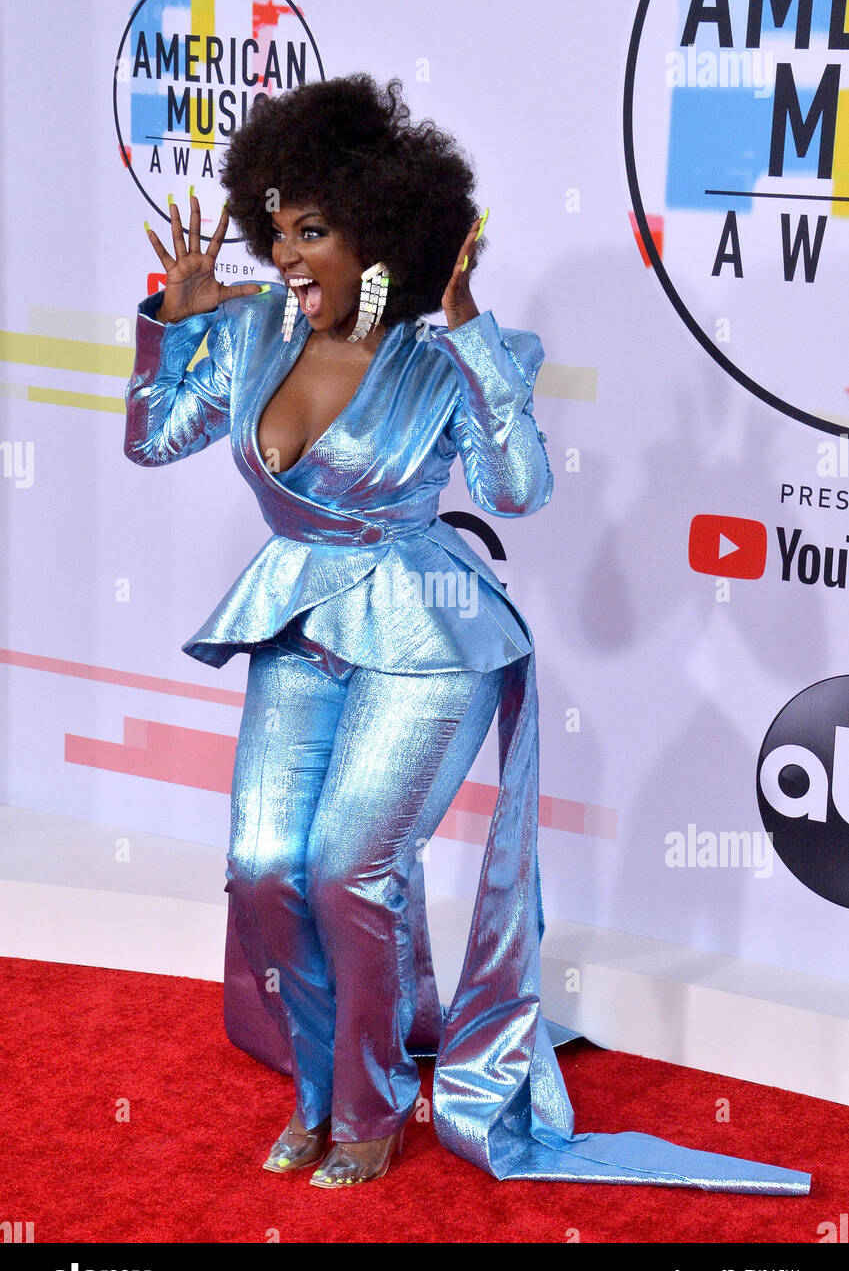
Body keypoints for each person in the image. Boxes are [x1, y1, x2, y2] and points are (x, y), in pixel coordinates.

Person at [124, 74, 810, 1195]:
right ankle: (320, 1089)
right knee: (260, 870)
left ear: (381, 231)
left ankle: (374, 1101)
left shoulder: (441, 356)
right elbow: (154, 445)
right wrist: (173, 322)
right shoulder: (249, 329)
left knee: (352, 866)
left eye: (316, 230)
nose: (288, 255)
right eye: (278, 228)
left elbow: (521, 486)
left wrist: (470, 331)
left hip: (427, 631)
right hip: (296, 616)